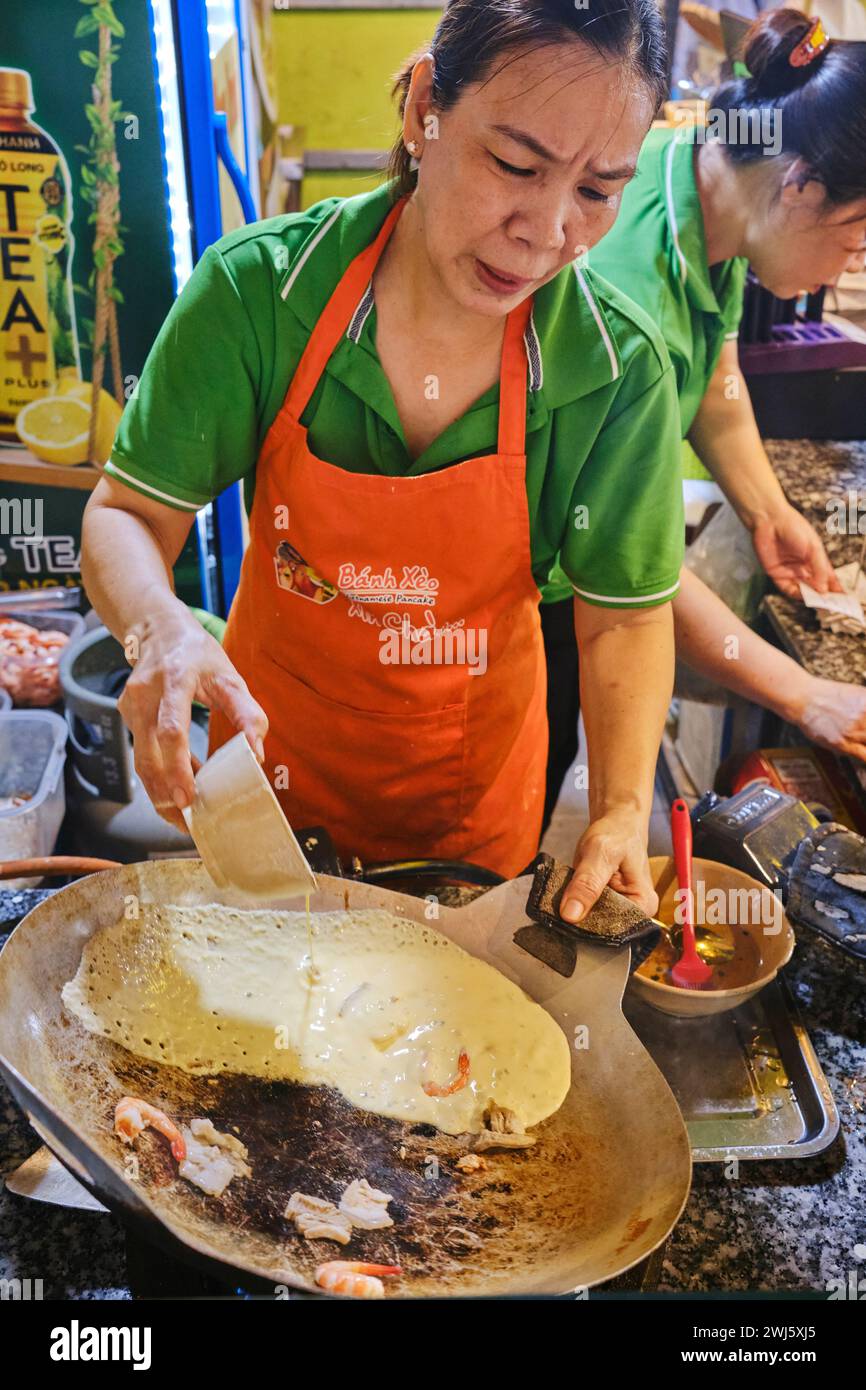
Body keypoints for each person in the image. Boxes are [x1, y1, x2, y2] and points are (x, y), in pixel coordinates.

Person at [82, 0, 687, 924]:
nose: (547, 231)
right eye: (516, 164)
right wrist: (158, 627)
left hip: (471, 824)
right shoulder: (260, 294)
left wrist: (616, 808)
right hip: (269, 787)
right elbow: (127, 514)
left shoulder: (614, 369)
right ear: (423, 109)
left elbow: (623, 622)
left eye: (598, 191)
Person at [541, 8, 866, 824]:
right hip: (528, 591)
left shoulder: (699, 178)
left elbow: (716, 372)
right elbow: (631, 570)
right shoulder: (627, 303)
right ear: (800, 187)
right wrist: (804, 695)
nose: (856, 260)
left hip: (585, 564)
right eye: (858, 235)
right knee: (500, 838)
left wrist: (771, 510)